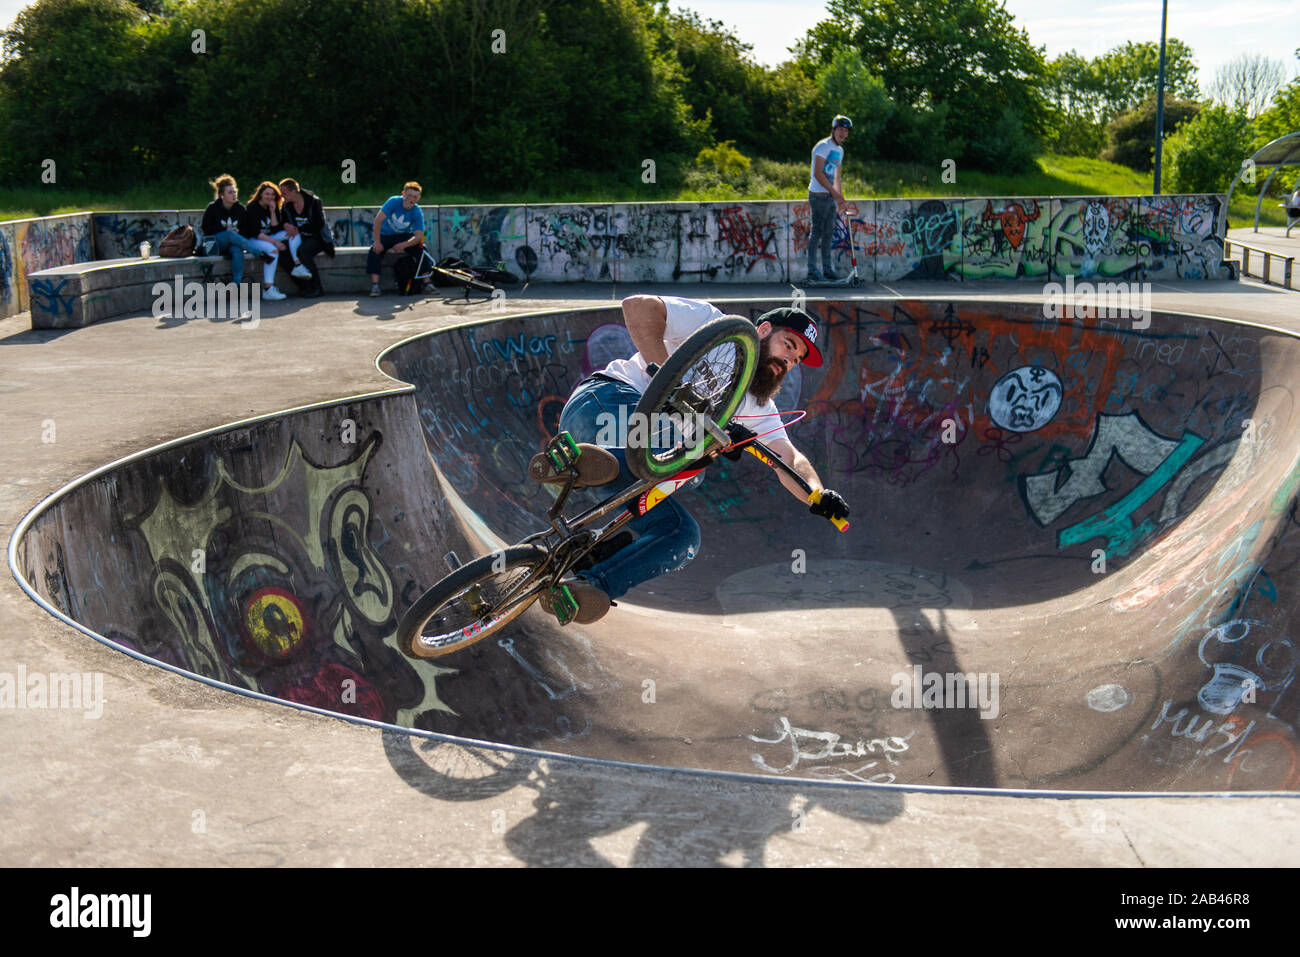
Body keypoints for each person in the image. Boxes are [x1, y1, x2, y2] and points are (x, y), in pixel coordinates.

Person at [535, 295, 851, 624]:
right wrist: (667, 385)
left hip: (634, 459)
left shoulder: (758, 408)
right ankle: (583, 462)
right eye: (788, 346)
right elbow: (637, 307)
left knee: (682, 537)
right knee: (695, 452)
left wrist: (817, 494)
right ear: (764, 330)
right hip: (606, 403)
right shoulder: (713, 327)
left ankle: (587, 583)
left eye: (795, 360)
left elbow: (788, 459)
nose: (788, 362)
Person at [239, 181, 307, 301]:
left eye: (272, 195)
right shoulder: (252, 208)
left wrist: (272, 211)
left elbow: (275, 228)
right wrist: (276, 243)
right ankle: (268, 289)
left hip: (268, 237)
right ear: (260, 195)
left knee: (293, 233)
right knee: (272, 250)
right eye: (267, 194)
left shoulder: (273, 207)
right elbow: (256, 233)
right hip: (253, 239)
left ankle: (298, 264)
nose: (270, 197)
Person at [807, 114, 852, 283]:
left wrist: (839, 197)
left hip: (830, 197)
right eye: (840, 129)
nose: (843, 133)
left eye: (845, 131)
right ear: (833, 130)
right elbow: (818, 174)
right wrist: (834, 193)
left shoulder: (839, 150)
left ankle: (827, 270)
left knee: (828, 234)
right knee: (816, 232)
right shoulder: (823, 146)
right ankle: (812, 270)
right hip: (818, 196)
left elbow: (836, 176)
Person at [199, 175, 265, 286]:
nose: (234, 195)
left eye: (235, 191)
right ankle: (258, 253)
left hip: (233, 244)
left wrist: (238, 232)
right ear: (222, 195)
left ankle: (236, 284)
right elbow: (206, 228)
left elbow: (246, 231)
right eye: (230, 192)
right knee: (229, 234)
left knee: (237, 251)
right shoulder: (212, 208)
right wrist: (225, 229)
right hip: (215, 243)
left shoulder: (240, 209)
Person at [366, 182, 427, 296]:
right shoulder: (393, 201)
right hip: (385, 235)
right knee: (374, 251)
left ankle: (427, 283)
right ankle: (375, 286)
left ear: (418, 198)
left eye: (415, 196)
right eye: (409, 195)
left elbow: (419, 236)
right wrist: (377, 241)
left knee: (422, 249)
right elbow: (378, 220)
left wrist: (404, 245)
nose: (412, 199)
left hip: (403, 236)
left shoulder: (417, 211)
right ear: (403, 194)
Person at [277, 178, 334, 298]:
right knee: (282, 253)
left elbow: (318, 224)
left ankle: (317, 288)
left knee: (302, 251)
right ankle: (303, 286)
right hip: (298, 238)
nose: (282, 196)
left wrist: (298, 229)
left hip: (317, 237)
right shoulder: (287, 206)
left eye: (284, 193)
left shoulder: (314, 202)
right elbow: (282, 220)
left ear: (294, 191)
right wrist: (286, 225)